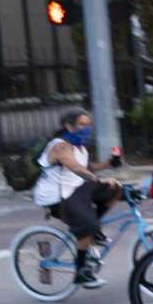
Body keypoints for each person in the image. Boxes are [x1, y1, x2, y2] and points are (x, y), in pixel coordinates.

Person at [32, 109, 122, 289]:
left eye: (88, 124)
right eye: (82, 124)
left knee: (116, 189)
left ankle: (94, 231)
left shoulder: (80, 147)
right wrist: (98, 179)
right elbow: (74, 167)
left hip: (75, 189)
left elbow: (87, 167)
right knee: (88, 224)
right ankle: (81, 272)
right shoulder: (60, 145)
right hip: (56, 196)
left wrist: (109, 163)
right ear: (69, 126)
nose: (87, 128)